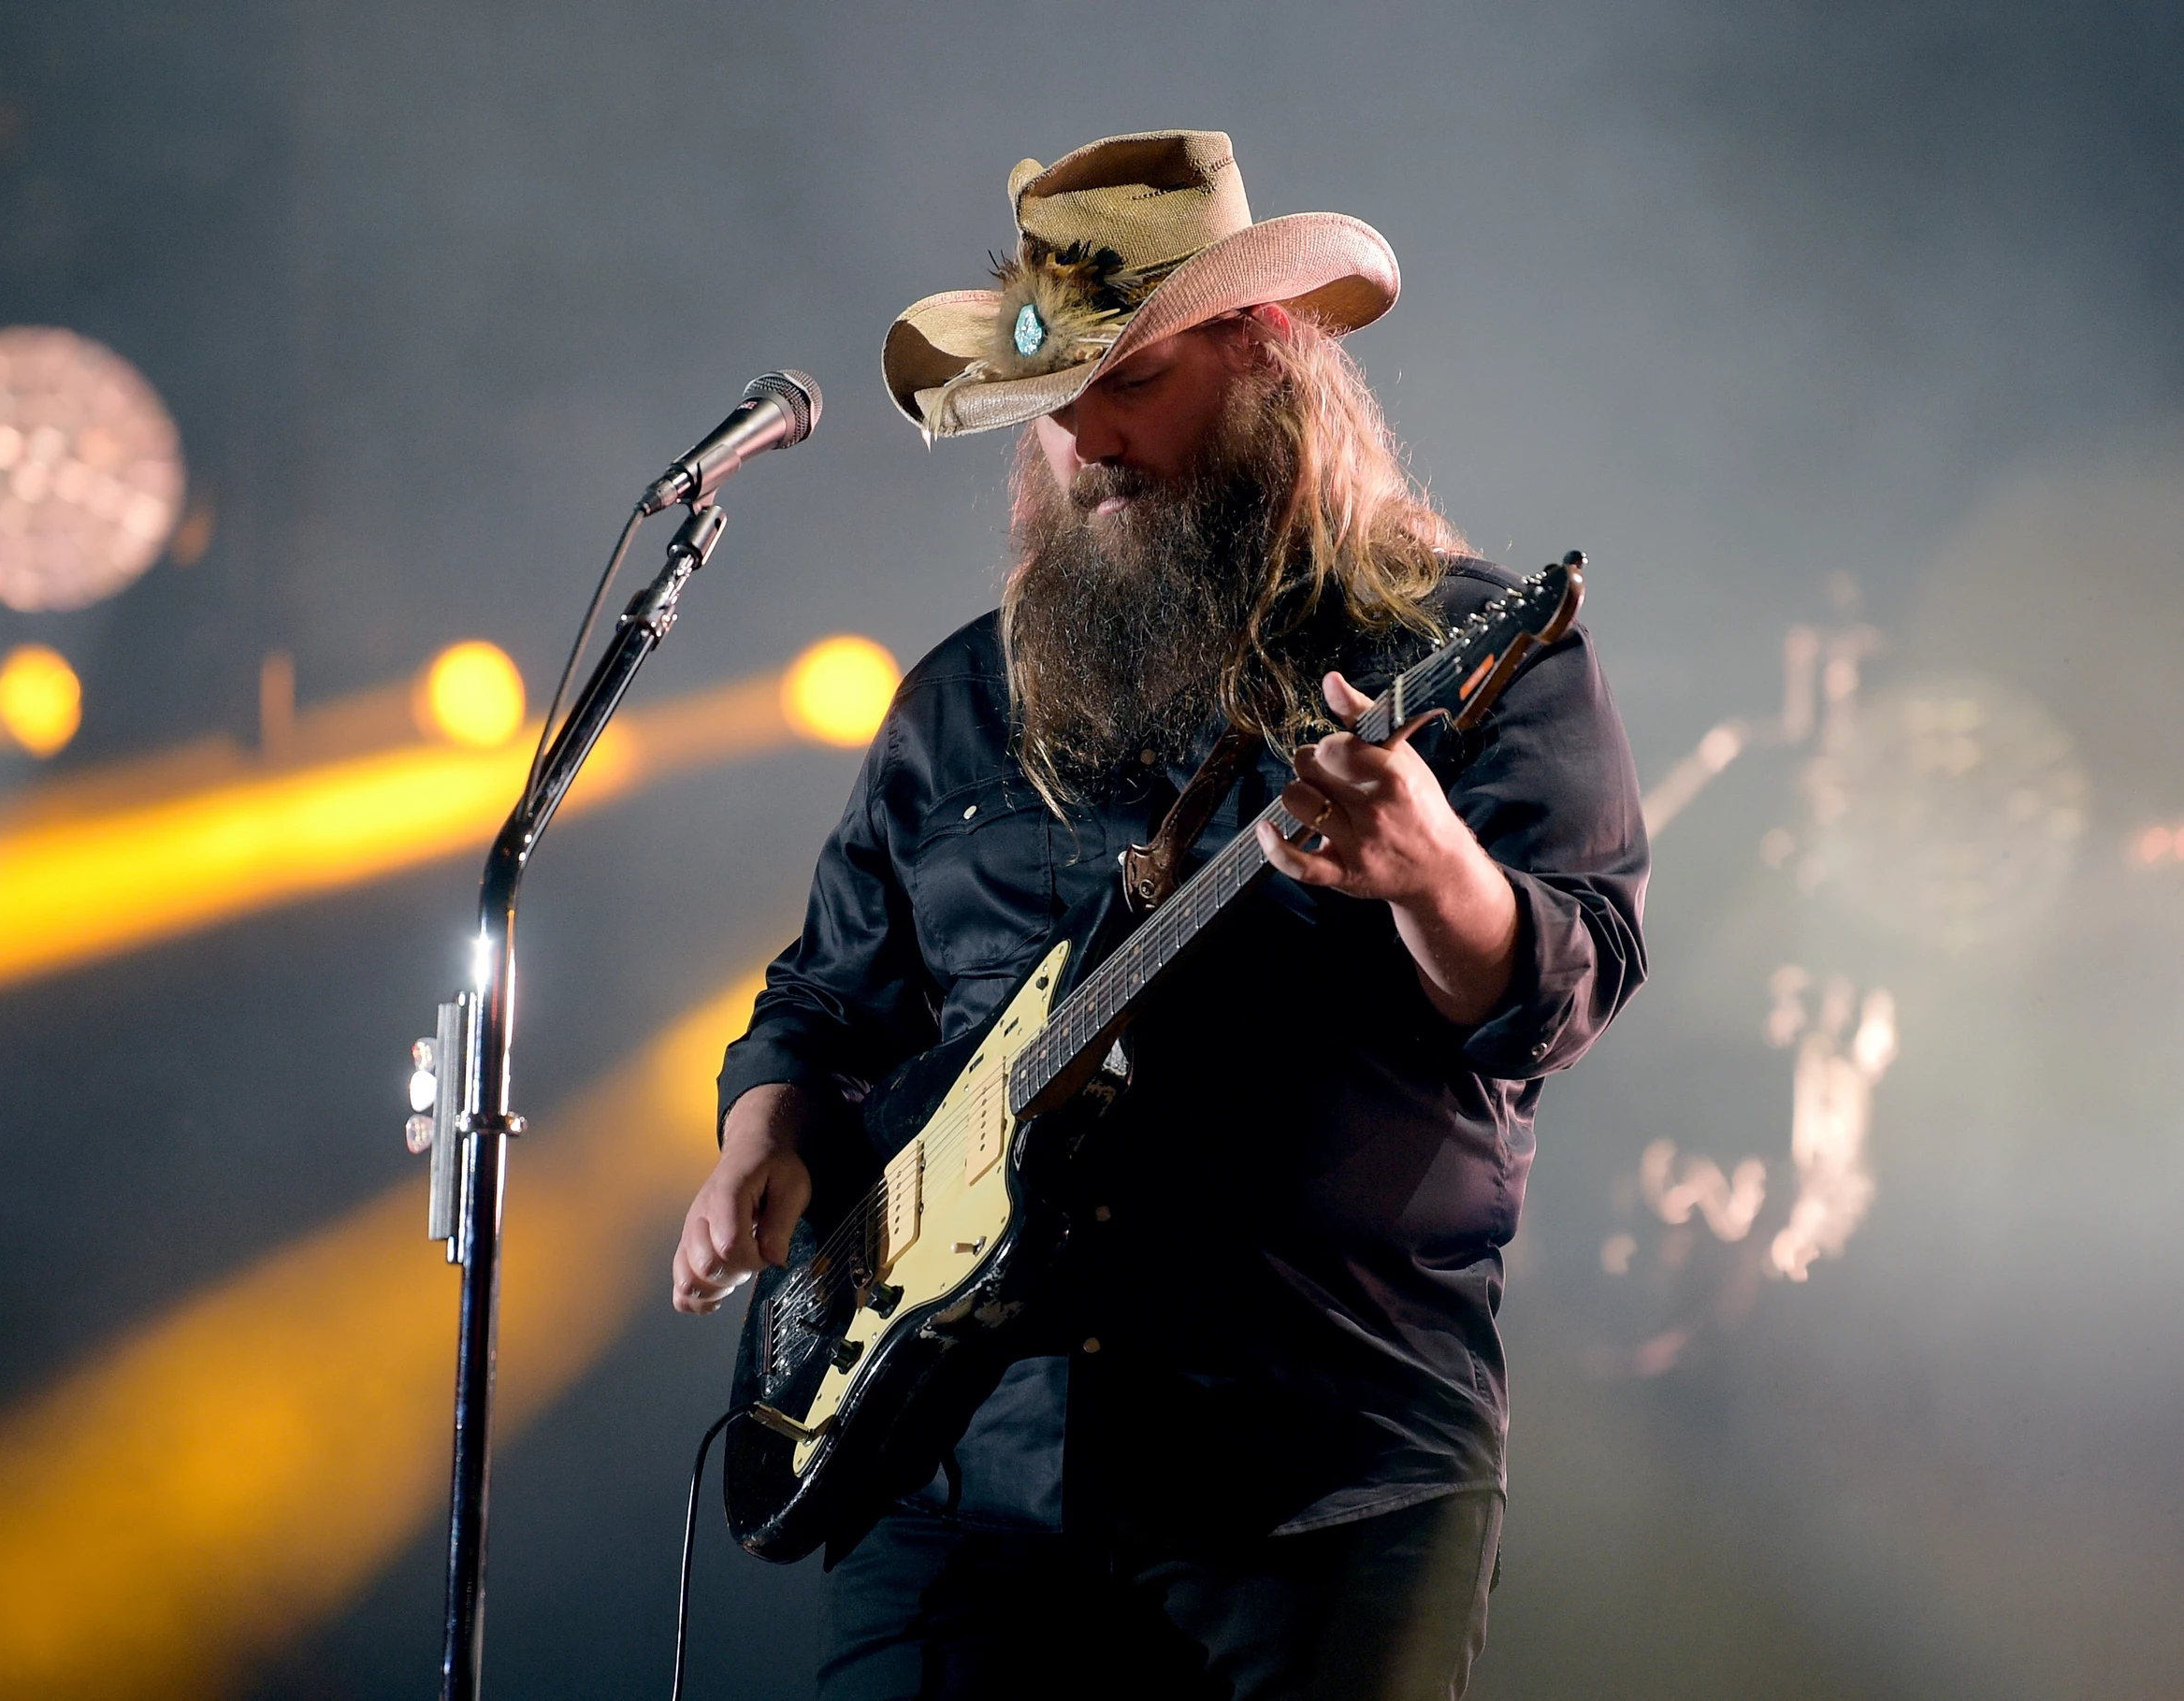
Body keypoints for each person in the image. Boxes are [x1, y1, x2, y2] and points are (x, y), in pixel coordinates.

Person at [672, 130, 1648, 1700]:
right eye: (1052, 404)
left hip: (1316, 1480)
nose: (1087, 442)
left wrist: (1435, 871)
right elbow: (828, 995)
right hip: (955, 1482)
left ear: (1263, 360)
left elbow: (1571, 980)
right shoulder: (954, 705)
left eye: (1129, 382)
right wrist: (759, 1135)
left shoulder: (1460, 651)